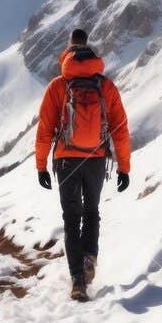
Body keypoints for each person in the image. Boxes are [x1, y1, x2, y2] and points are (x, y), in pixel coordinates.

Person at [34, 28, 131, 302]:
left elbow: (44, 130)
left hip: (66, 159)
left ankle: (78, 281)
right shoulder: (105, 85)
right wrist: (124, 167)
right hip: (96, 159)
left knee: (70, 218)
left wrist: (41, 166)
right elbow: (120, 129)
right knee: (91, 213)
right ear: (90, 51)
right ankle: (90, 257)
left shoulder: (58, 86)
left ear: (67, 54)